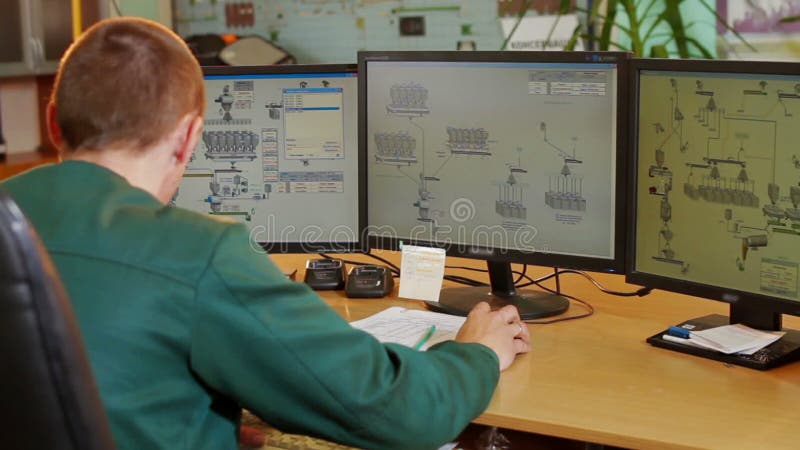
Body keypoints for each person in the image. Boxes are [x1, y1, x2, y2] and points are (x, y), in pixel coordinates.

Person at [1, 17, 531, 450]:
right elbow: (398, 412)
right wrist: (477, 353)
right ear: (189, 137)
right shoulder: (199, 254)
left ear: (53, 123)